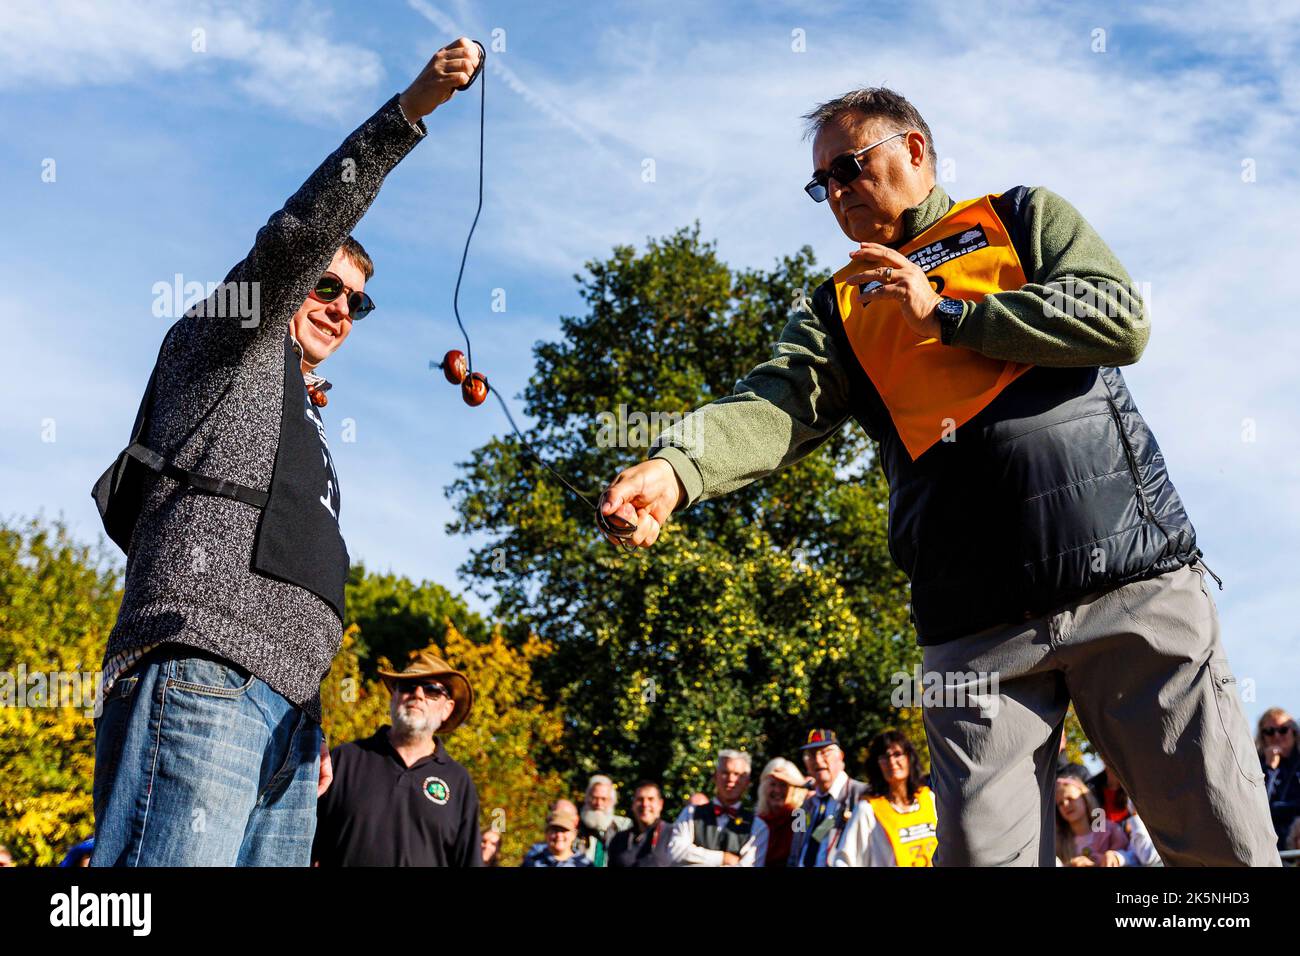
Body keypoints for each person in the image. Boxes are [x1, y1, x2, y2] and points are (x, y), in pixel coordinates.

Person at [598, 86, 1280, 867]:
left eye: (849, 167)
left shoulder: (1022, 217)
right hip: (974, 634)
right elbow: (775, 403)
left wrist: (951, 313)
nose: (837, 192)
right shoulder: (836, 308)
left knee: (1225, 855)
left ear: (914, 150)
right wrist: (677, 468)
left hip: (1128, 586)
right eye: (822, 183)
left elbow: (1119, 317)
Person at [88, 37, 484, 868]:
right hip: (208, 672)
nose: (342, 308)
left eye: (359, 303)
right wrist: (408, 113)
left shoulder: (304, 411)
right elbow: (301, 229)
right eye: (327, 285)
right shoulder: (225, 337)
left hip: (292, 719)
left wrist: (308, 714)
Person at [311, 649, 480, 867]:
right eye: (408, 686)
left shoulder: (459, 781)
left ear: (447, 708)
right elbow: (301, 846)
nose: (418, 694)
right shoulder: (343, 760)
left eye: (432, 690)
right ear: (394, 697)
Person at [832, 730, 937, 867]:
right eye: (884, 757)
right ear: (876, 765)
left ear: (909, 758)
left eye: (897, 754)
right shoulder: (867, 810)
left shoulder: (929, 798)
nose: (892, 762)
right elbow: (844, 861)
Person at [668, 749, 768, 866]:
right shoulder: (690, 813)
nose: (731, 779)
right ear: (715, 776)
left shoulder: (758, 827)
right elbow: (675, 852)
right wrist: (723, 858)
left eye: (737, 774)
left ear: (747, 781)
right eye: (725, 773)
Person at [787, 729, 868, 867]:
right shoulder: (806, 805)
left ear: (841, 756)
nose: (818, 760)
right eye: (811, 755)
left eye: (825, 752)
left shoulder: (861, 795)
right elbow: (796, 850)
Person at [1054, 776, 1131, 866]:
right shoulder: (1057, 843)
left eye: (1070, 798)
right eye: (1060, 803)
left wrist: (1114, 857)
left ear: (1084, 798)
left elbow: (1133, 856)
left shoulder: (1110, 829)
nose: (1065, 805)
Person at [755, 758, 809, 868]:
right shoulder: (758, 819)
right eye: (773, 784)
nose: (777, 790)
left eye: (784, 785)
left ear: (796, 787)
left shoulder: (800, 817)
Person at [1258, 707, 1300, 848]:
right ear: (1262, 736)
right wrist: (1270, 768)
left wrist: (1276, 809)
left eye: (1283, 730)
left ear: (1293, 731)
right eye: (1269, 732)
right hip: (1269, 839)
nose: (1276, 736)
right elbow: (1258, 805)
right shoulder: (1255, 764)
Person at [607, 781, 673, 867]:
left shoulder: (673, 835)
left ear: (660, 804)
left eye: (651, 799)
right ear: (633, 804)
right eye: (640, 799)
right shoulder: (619, 840)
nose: (645, 804)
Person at [577, 774, 632, 866]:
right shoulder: (575, 826)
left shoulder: (624, 826)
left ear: (612, 801)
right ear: (587, 799)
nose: (599, 803)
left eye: (603, 799)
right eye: (594, 798)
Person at [522, 801, 593, 867]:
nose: (559, 835)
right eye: (554, 830)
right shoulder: (531, 862)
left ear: (574, 834)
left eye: (564, 830)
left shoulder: (586, 864)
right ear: (546, 833)